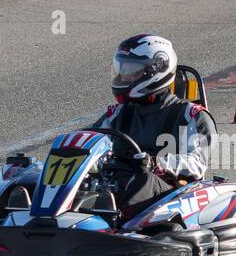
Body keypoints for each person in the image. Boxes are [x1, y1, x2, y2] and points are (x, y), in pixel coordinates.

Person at [91, 33, 217, 214]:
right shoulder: (120, 113)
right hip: (120, 183)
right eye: (122, 70)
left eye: (131, 71)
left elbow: (197, 164)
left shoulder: (190, 115)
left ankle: (119, 229)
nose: (124, 77)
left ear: (156, 71)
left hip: (169, 193)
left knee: (144, 181)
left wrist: (156, 162)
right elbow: (89, 139)